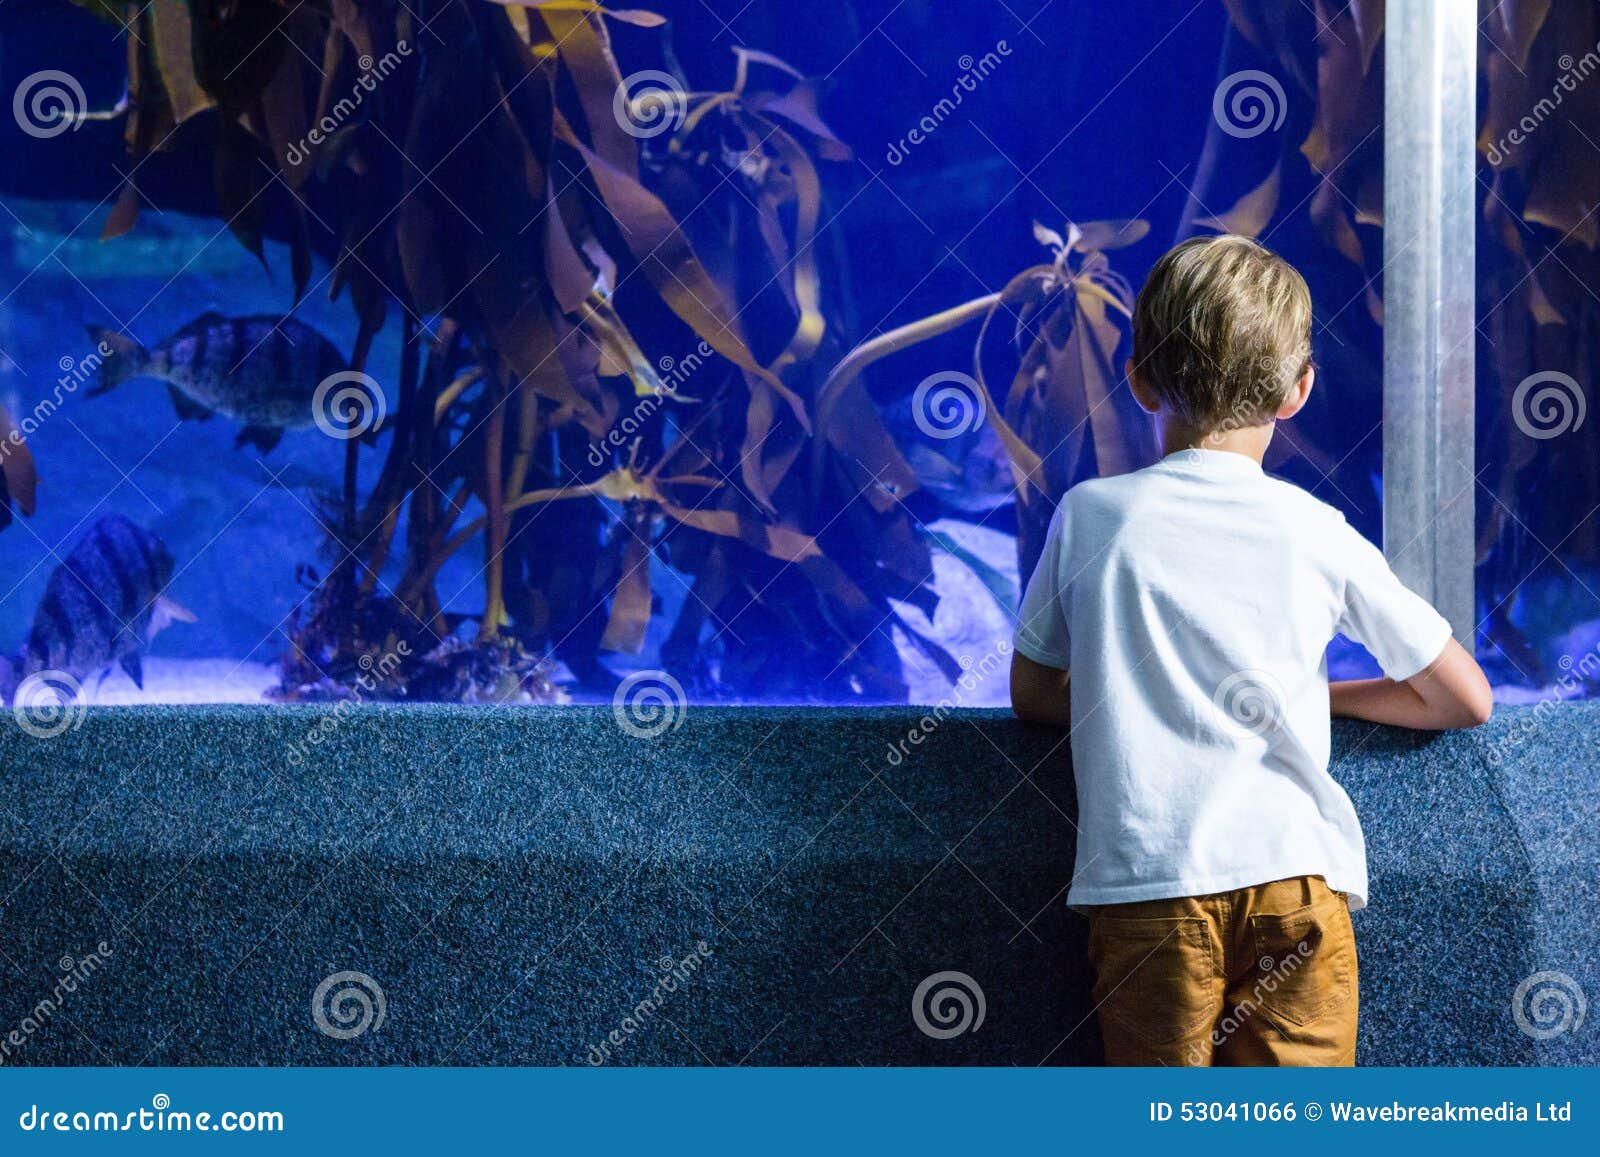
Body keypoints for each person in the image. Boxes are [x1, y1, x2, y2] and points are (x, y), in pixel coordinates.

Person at [1009, 234, 1492, 1066]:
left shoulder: (1091, 516)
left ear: (1138, 378)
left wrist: (1130, 688)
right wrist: (1314, 697)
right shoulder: (1315, 530)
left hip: (1148, 890)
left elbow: (1034, 690)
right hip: (1295, 880)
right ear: (1298, 390)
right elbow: (1464, 698)